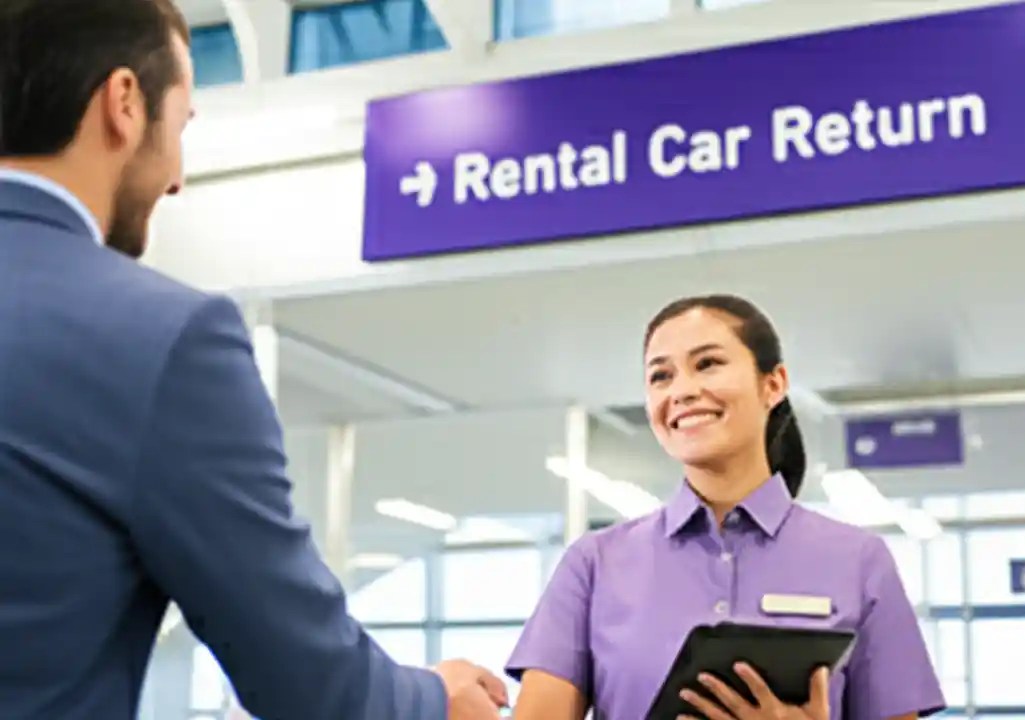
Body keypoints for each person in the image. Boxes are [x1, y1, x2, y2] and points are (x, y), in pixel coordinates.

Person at [0, 1, 505, 719]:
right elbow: (312, 688)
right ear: (123, 104)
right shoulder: (164, 337)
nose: (175, 177)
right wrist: (436, 700)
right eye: (180, 126)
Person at [505, 295, 946, 719]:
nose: (682, 390)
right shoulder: (594, 565)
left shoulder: (859, 562)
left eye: (708, 364)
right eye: (661, 376)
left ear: (773, 384)